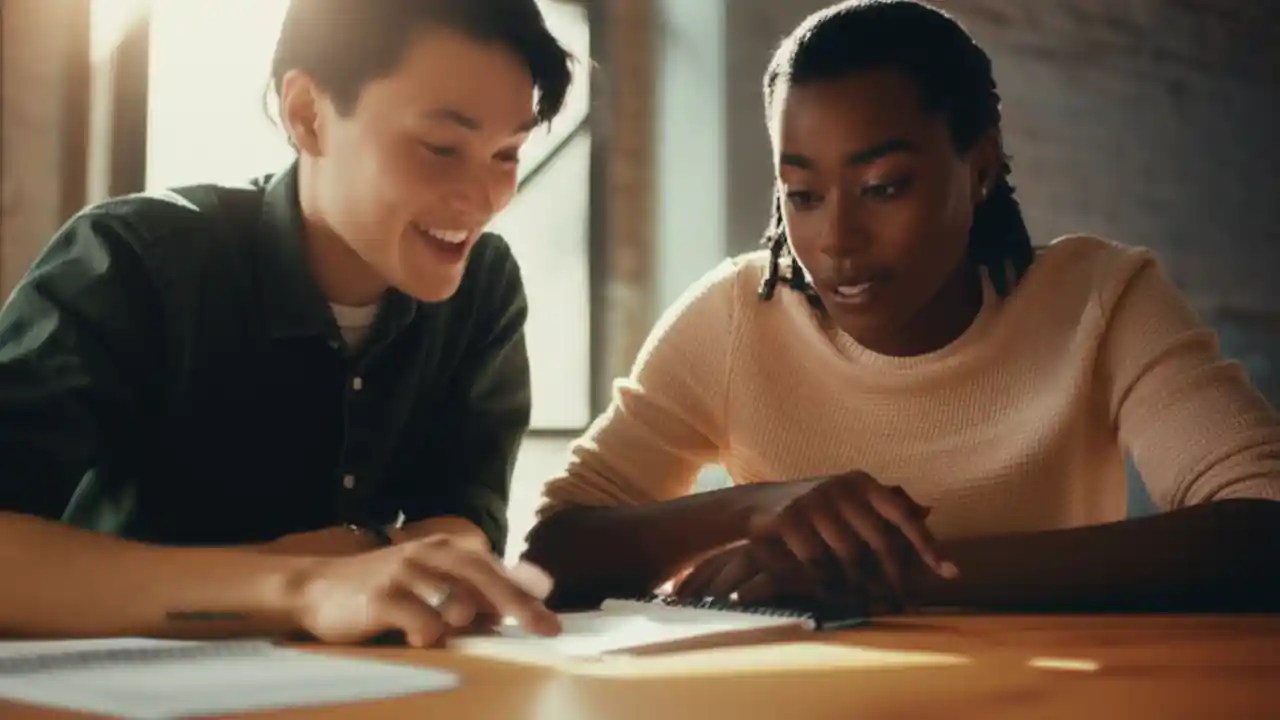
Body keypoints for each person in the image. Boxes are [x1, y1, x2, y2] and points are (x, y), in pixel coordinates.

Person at [526, 0, 1280, 613]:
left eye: (884, 187)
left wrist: (894, 574)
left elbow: (1263, 531)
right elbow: (549, 557)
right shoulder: (735, 317)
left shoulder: (1099, 300)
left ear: (980, 168)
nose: (837, 240)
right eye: (803, 196)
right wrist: (757, 509)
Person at [0, 0, 570, 646]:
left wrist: (371, 548)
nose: (482, 199)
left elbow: (464, 525)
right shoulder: (133, 262)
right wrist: (299, 585)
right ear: (307, 114)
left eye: (507, 154)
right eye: (441, 148)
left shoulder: (483, 285)